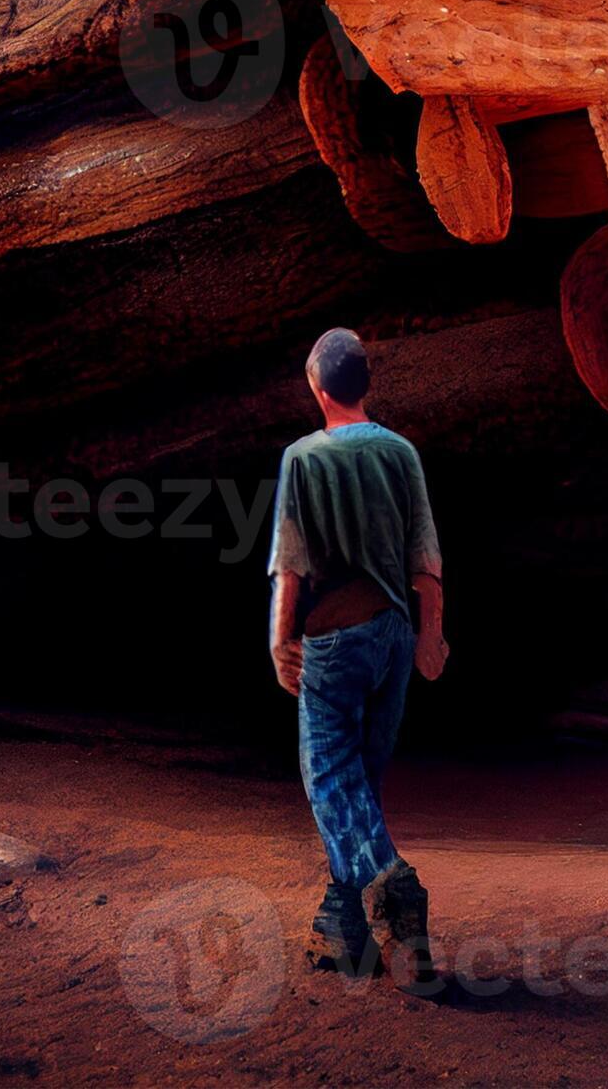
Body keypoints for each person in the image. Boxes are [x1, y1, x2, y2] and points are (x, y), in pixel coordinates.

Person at [267, 327, 448, 982]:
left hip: (334, 641)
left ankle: (399, 903)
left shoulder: (302, 459)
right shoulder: (400, 453)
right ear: (366, 384)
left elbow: (291, 565)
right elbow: (425, 558)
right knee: (359, 787)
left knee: (330, 780)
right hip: (394, 638)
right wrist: (431, 635)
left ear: (318, 391)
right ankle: (342, 932)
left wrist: (279, 639)